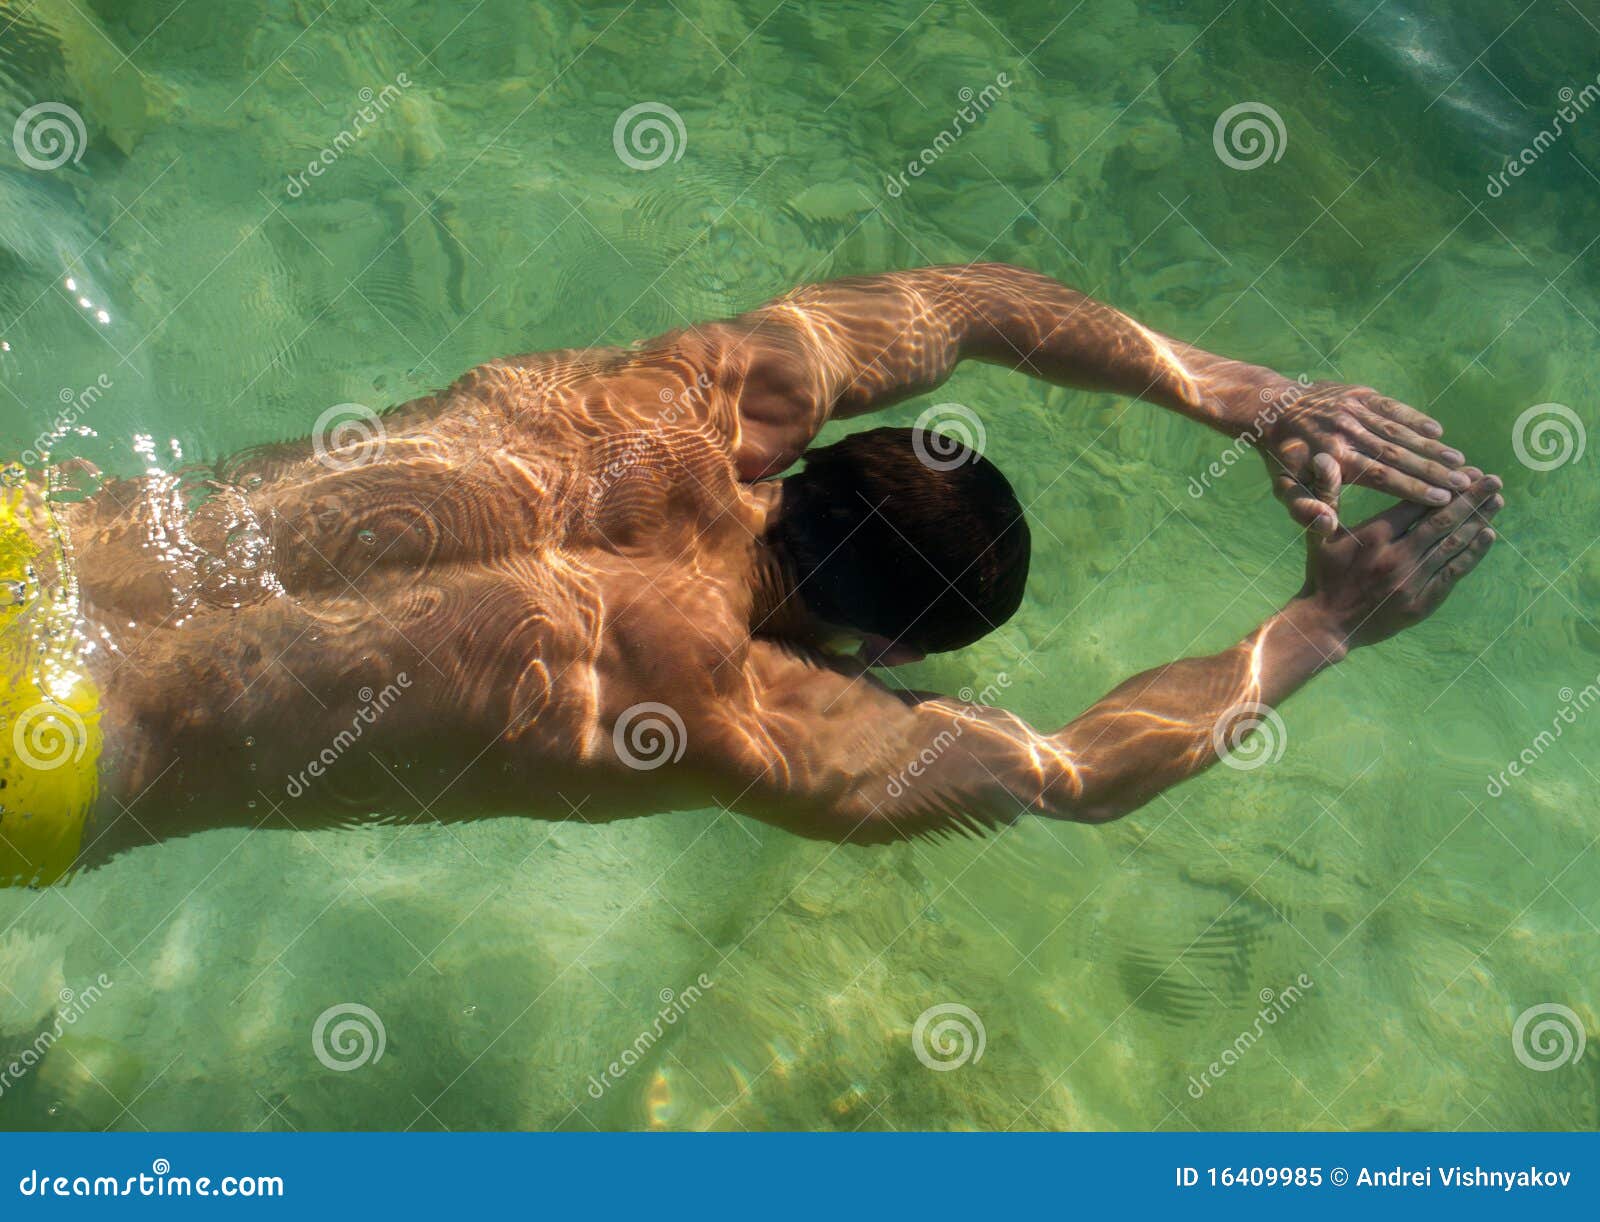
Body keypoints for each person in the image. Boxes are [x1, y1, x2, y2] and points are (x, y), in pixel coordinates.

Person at [0, 263, 1500, 884]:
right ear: (868, 647)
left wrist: (1251, 394)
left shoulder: (702, 393)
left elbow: (970, 305)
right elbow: (1064, 773)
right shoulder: (748, 714)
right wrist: (1321, 621)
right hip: (56, 755)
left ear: (821, 451)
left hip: (34, 537)